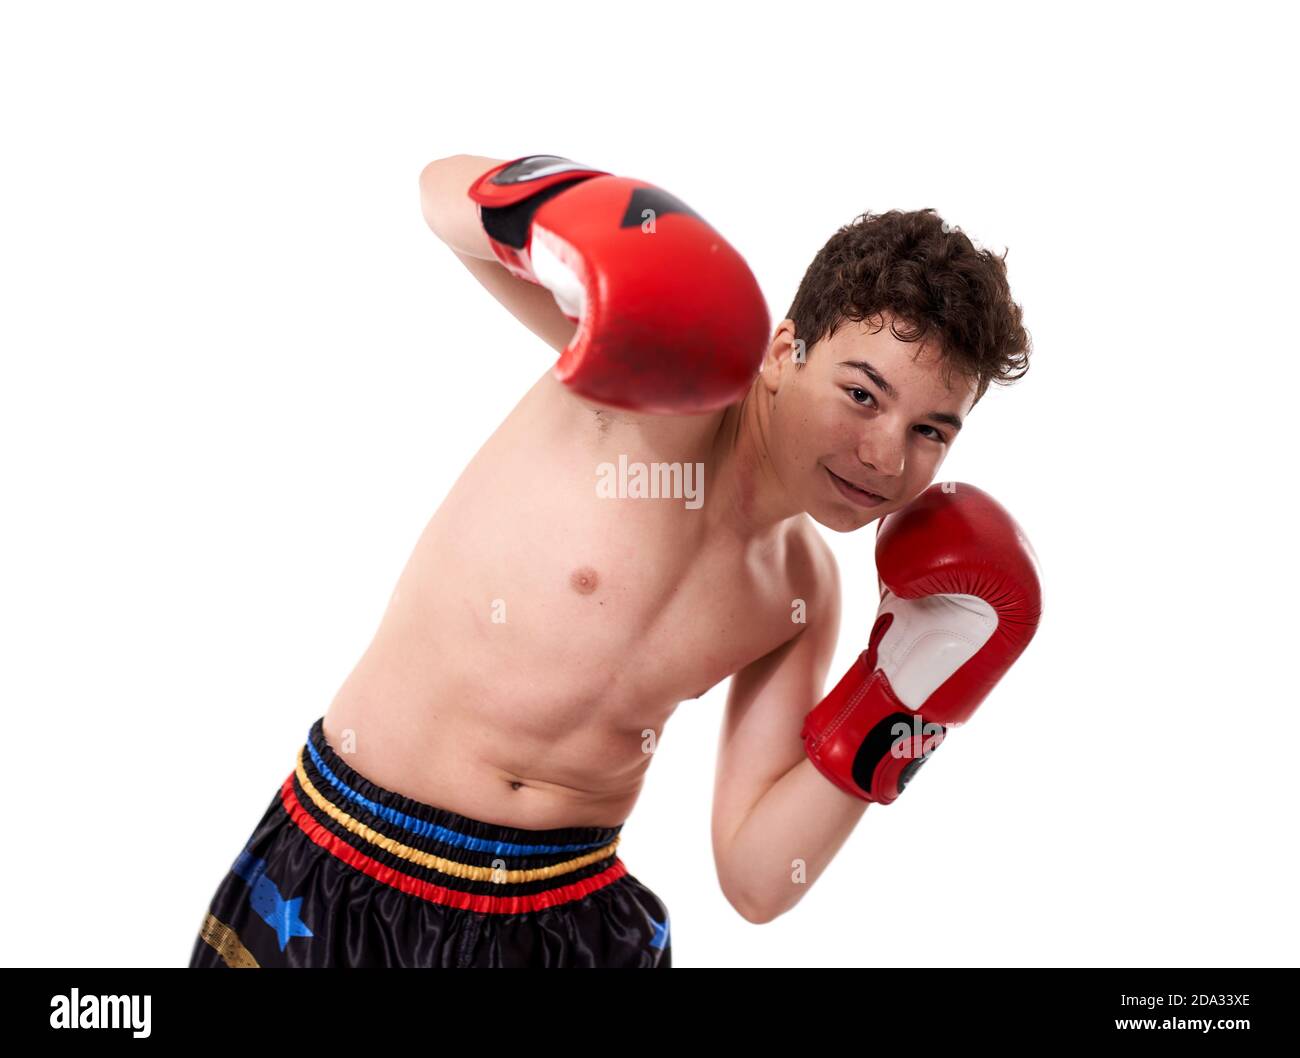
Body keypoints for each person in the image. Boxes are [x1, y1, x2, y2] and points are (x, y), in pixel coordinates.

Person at [188, 154, 1040, 968]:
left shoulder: (801, 593)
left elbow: (755, 878)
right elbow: (440, 198)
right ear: (786, 353)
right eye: (863, 394)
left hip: (563, 923)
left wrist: (906, 695)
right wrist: (575, 217)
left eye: (932, 431)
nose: (888, 458)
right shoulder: (664, 380)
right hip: (349, 867)